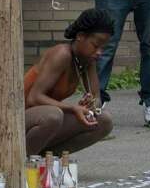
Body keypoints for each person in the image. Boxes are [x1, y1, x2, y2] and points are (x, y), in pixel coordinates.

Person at [23, 9, 114, 156]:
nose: (99, 52)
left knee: (104, 121)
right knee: (53, 116)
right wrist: (73, 108)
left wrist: (91, 105)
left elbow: (97, 96)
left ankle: (47, 159)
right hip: (21, 116)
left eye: (103, 48)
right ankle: (23, 162)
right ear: (80, 36)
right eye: (96, 45)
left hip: (43, 119)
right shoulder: (62, 54)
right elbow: (34, 98)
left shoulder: (87, 60)